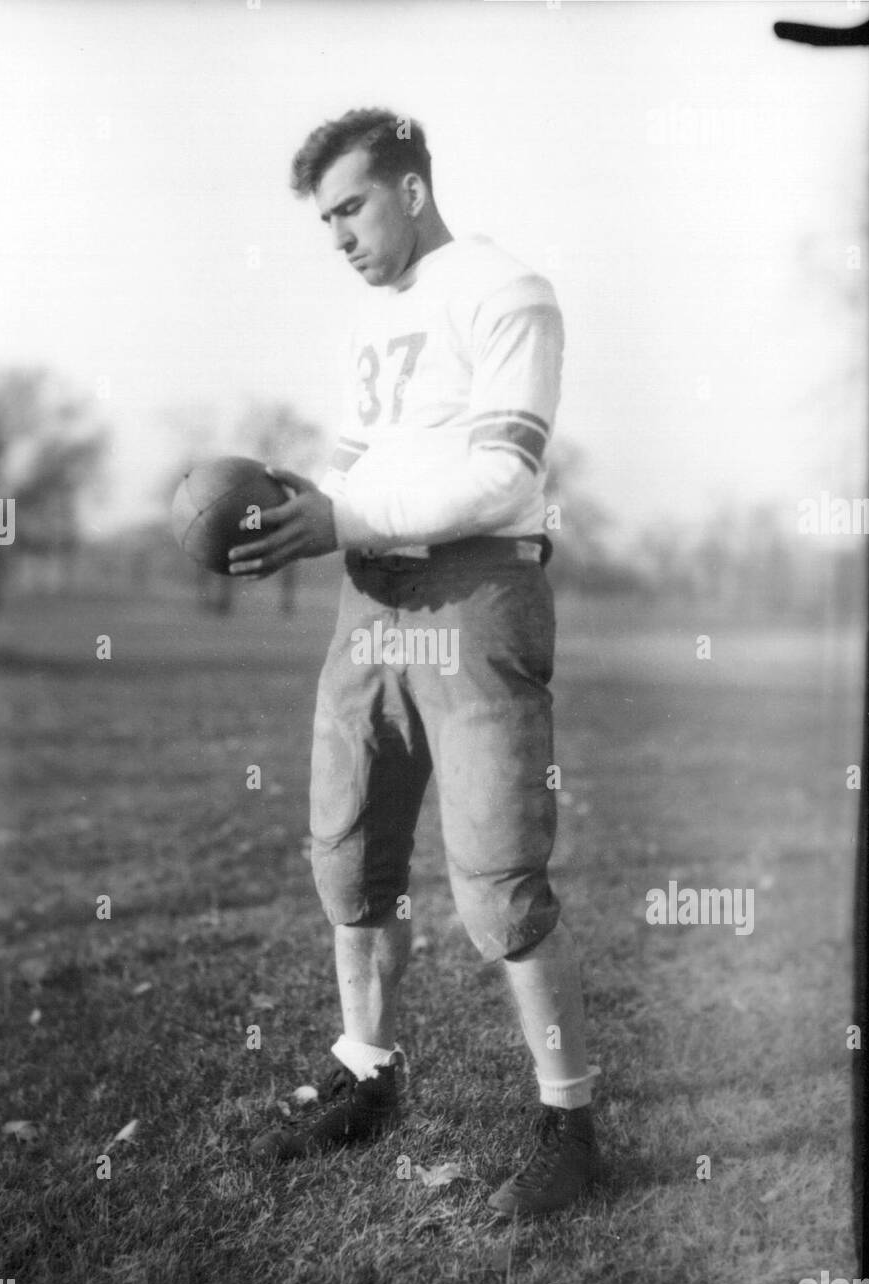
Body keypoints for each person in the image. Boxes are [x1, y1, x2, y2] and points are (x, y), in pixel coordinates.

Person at [228, 108, 601, 1216]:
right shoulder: (362, 324)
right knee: (348, 852)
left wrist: (342, 512)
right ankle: (367, 1071)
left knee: (495, 878)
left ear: (409, 189)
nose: (336, 234)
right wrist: (290, 505)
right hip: (371, 597)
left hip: (478, 589)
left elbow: (498, 475)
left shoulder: (503, 288)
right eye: (324, 218)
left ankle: (568, 1122)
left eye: (349, 206)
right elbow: (360, 466)